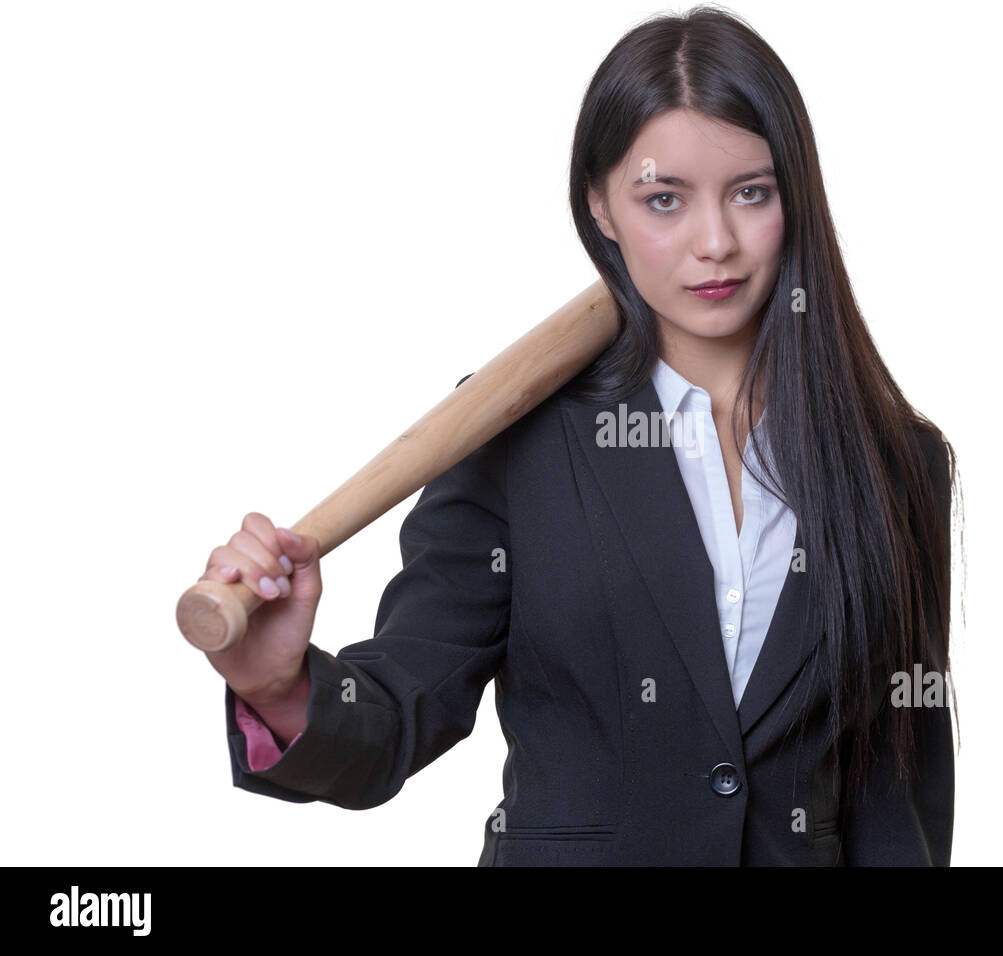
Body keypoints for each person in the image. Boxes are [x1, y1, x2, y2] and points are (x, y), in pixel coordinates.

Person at [199, 4, 959, 866]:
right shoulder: (512, 438)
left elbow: (899, 794)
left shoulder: (896, 466)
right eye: (663, 200)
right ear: (600, 207)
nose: (715, 243)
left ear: (796, 196)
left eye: (751, 192)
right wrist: (279, 683)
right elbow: (402, 713)